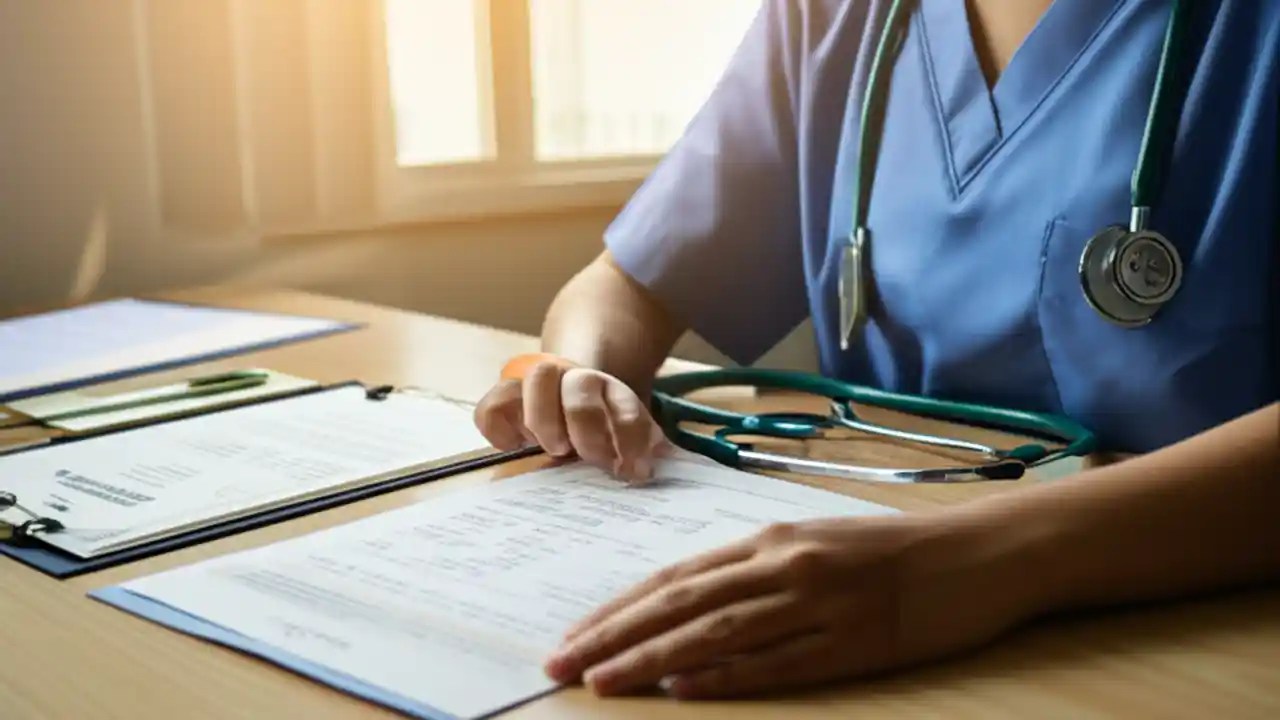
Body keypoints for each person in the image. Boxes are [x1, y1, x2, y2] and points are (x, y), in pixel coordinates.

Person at [474, 0, 1280, 701]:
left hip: (1190, 628)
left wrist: (976, 562)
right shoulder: (831, 15)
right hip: (863, 604)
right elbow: (628, 283)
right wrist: (582, 373)